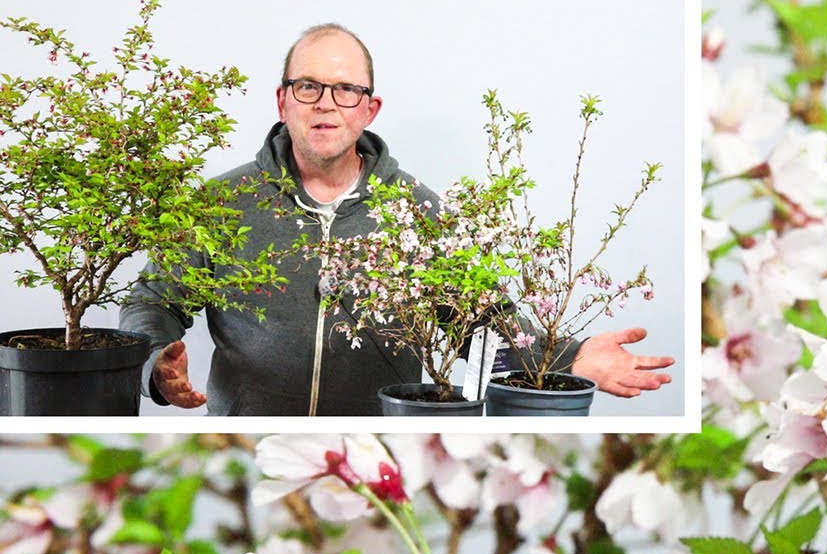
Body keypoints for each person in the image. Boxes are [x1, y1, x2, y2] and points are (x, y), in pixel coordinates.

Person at [120, 24, 674, 415]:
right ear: (283, 101)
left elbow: (479, 326)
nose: (325, 103)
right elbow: (153, 301)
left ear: (369, 109)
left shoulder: (419, 211)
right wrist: (154, 367)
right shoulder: (220, 203)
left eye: (346, 89)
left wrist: (572, 357)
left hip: (382, 448)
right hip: (247, 446)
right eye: (308, 87)